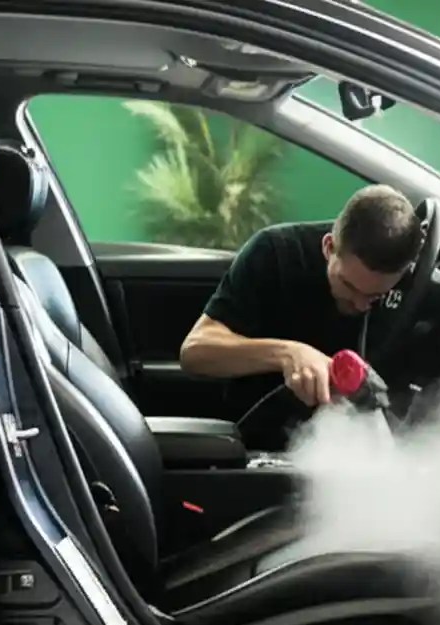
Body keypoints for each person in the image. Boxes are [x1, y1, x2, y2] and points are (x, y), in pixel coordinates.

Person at [179, 184, 423, 445]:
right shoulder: (277, 253)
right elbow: (194, 352)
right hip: (261, 447)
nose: (361, 305)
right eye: (348, 286)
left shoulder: (415, 286)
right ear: (328, 247)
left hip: (360, 450)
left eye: (375, 296)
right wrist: (288, 354)